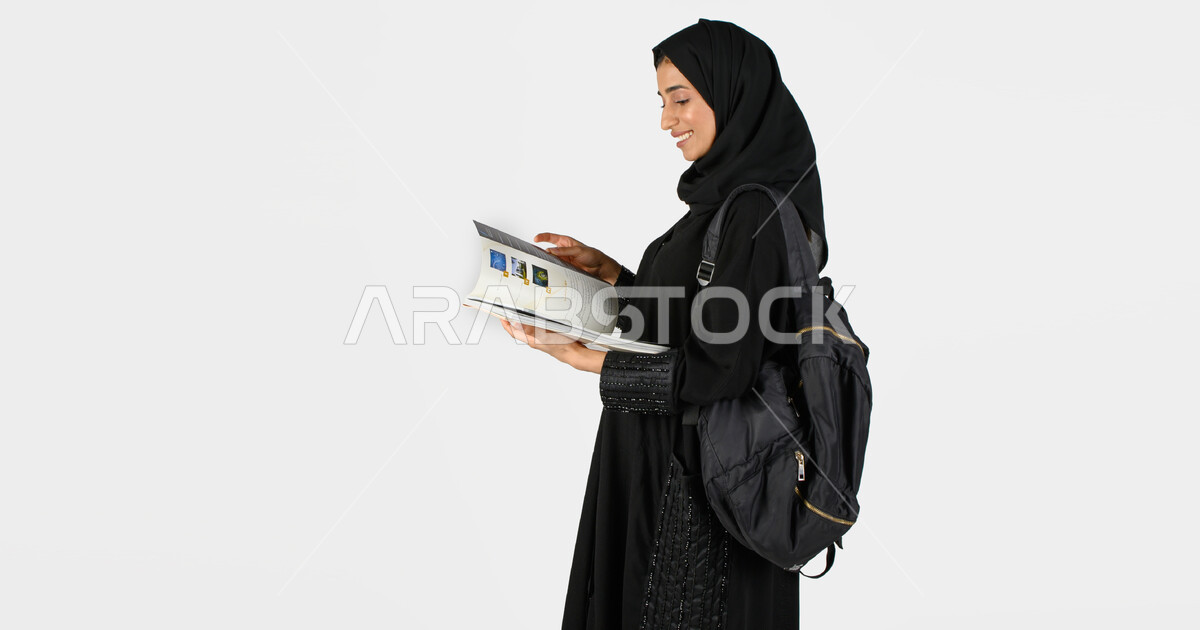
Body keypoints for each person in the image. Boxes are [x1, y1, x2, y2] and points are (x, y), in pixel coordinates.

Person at [500, 18, 830, 630]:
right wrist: (615, 278)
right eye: (661, 100)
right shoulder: (725, 205)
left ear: (732, 94)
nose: (666, 119)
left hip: (701, 492)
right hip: (670, 468)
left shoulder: (756, 209)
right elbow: (695, 322)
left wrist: (587, 359)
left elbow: (723, 368)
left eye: (681, 98)